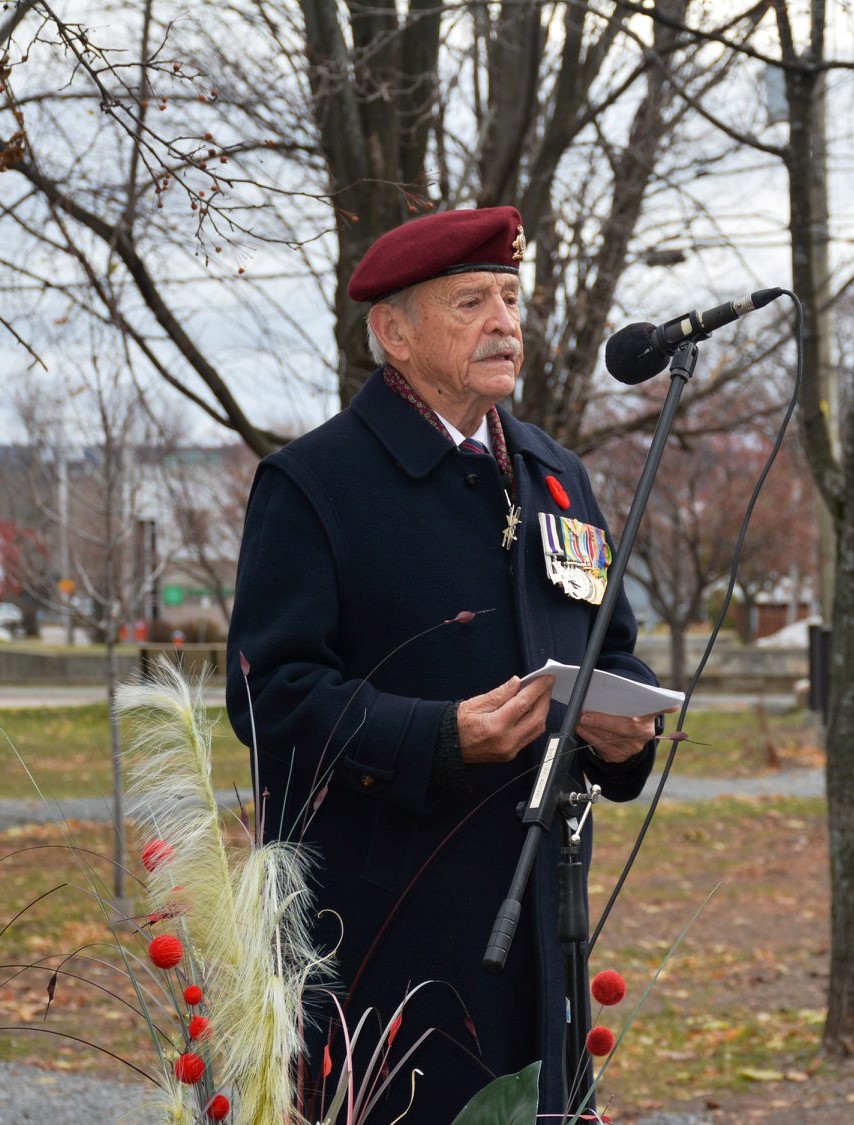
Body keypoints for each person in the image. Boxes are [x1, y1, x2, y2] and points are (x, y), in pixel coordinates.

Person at [226, 206, 665, 1123]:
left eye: (511, 297)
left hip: (543, 921)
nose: (505, 321)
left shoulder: (556, 475)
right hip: (387, 935)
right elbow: (270, 696)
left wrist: (624, 737)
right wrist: (439, 735)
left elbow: (605, 644)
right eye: (470, 302)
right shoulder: (315, 485)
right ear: (393, 331)